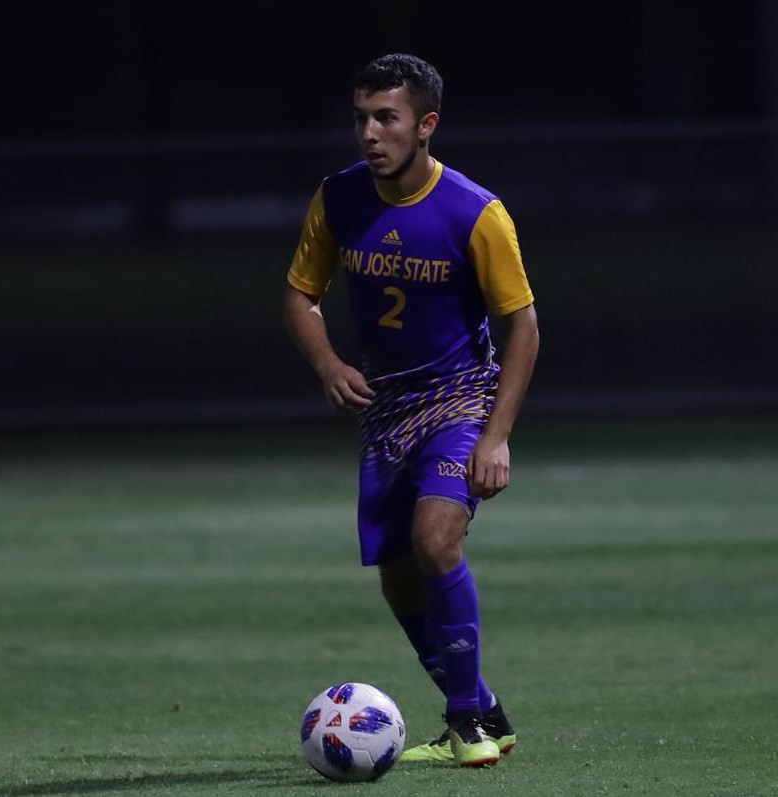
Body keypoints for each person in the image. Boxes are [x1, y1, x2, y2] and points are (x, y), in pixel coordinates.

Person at [282, 53, 539, 769]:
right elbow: (299, 295)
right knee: (398, 575)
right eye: (361, 118)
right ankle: (483, 707)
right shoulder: (338, 197)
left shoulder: (475, 212)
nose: (370, 133)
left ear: (425, 124)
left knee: (435, 541)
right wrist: (330, 364)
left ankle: (464, 724)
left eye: (386, 118)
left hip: (459, 398)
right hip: (386, 408)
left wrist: (498, 437)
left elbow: (525, 327)